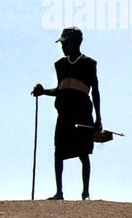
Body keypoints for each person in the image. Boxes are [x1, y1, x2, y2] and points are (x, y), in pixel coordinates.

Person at [32, 26, 102, 200]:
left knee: (83, 153)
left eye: (65, 43)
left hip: (83, 113)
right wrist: (43, 92)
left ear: (75, 42)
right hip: (64, 114)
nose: (62, 46)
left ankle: (85, 193)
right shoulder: (60, 65)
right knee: (58, 152)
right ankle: (59, 192)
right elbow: (60, 89)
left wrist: (99, 118)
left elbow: (95, 91)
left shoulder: (88, 64)